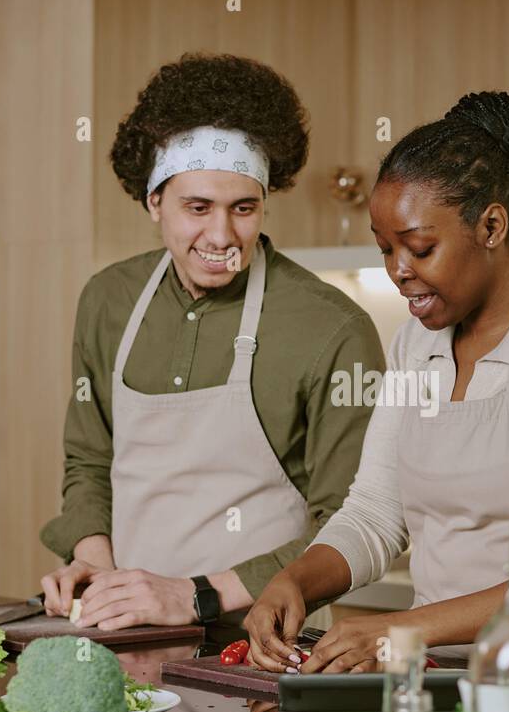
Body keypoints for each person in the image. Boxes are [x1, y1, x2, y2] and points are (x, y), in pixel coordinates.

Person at [244, 91, 509, 674]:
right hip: (437, 678)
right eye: (386, 250)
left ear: (491, 225)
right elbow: (375, 513)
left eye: (420, 248)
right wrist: (296, 581)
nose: (397, 273)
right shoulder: (417, 344)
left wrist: (403, 629)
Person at [39, 53, 385, 631]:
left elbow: (354, 522)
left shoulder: (332, 329)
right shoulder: (108, 300)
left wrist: (194, 596)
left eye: (243, 209)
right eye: (197, 208)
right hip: (119, 636)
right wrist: (93, 562)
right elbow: (90, 459)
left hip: (262, 648)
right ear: (154, 202)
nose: (221, 236)